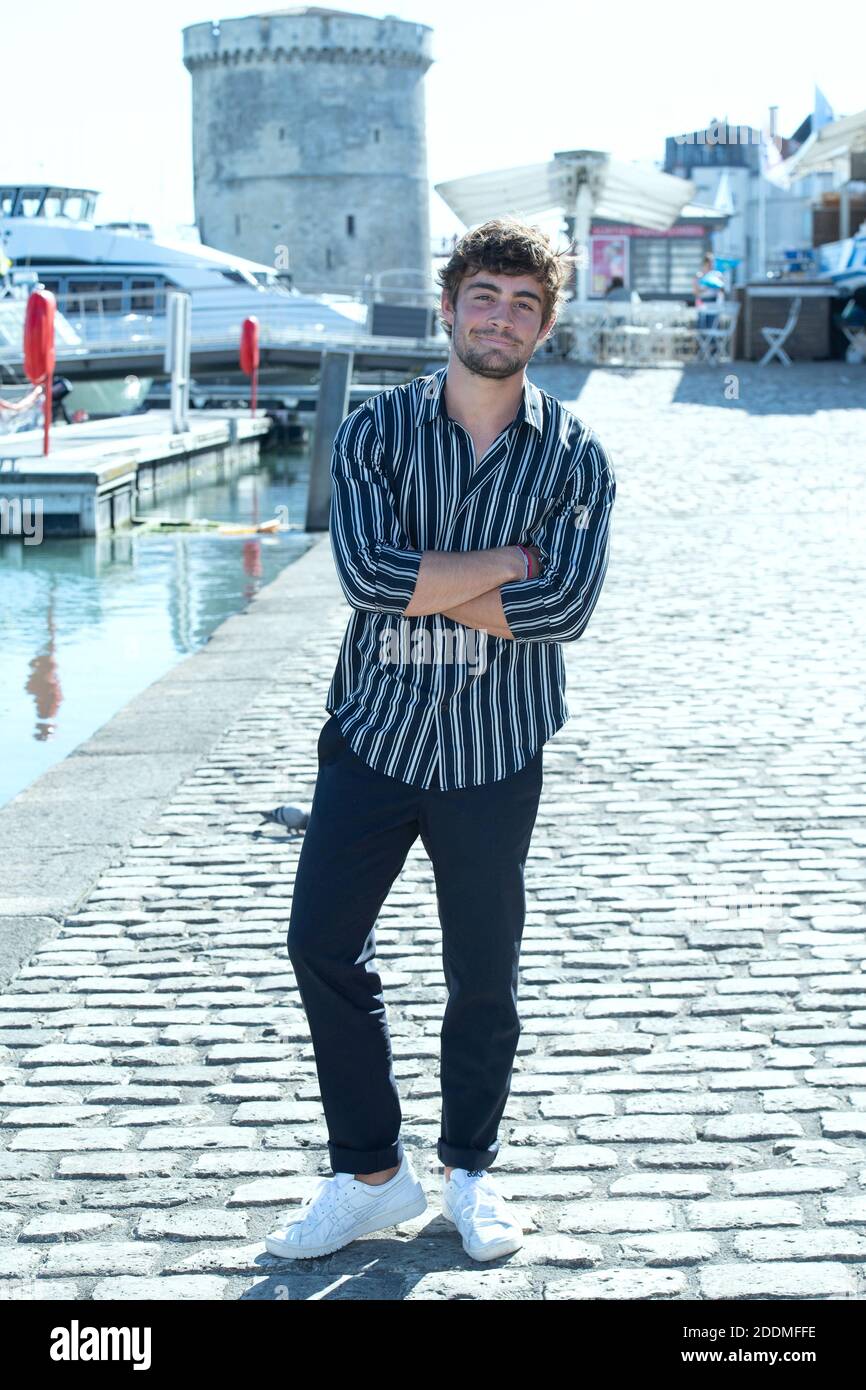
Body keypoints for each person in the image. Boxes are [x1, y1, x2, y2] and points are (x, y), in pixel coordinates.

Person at [265, 216, 617, 1264]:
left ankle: (469, 1171)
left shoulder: (573, 456)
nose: (499, 317)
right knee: (321, 944)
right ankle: (371, 1173)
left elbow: (565, 611)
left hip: (494, 748)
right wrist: (508, 559)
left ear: (542, 325)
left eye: (521, 303)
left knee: (483, 974)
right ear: (449, 305)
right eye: (484, 296)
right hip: (372, 733)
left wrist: (437, 581)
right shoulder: (377, 432)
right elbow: (366, 581)